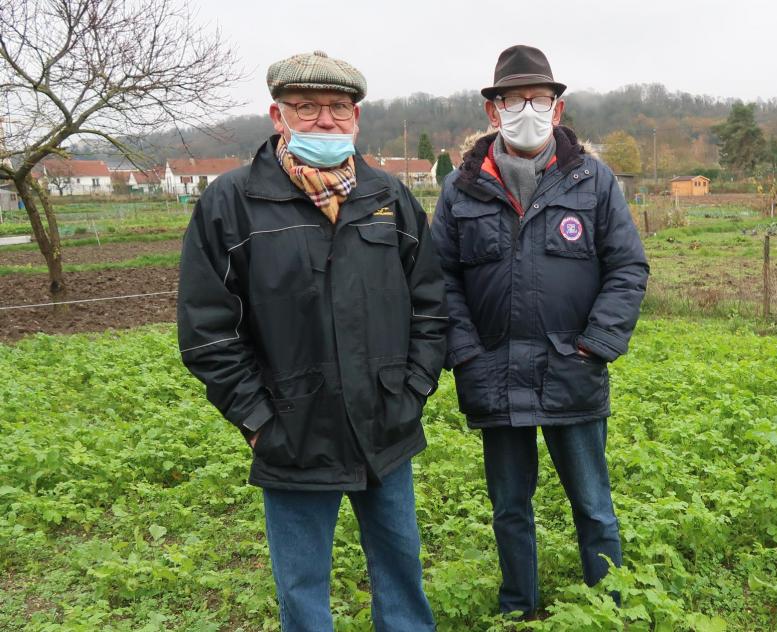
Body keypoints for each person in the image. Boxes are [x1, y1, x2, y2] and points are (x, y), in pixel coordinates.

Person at [176, 50, 446, 631]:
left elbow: (432, 304)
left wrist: (413, 389)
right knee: (302, 591)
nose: (325, 121)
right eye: (306, 108)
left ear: (356, 117)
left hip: (386, 424)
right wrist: (256, 420)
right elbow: (207, 330)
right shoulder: (231, 203)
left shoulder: (388, 197)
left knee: (401, 572)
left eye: (338, 109)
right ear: (278, 115)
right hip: (291, 432)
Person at [431, 44, 649, 618]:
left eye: (539, 98)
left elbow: (628, 268)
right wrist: (467, 355)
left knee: (594, 505)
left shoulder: (593, 181)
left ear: (557, 107)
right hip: (494, 374)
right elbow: (439, 279)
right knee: (509, 507)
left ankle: (610, 606)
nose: (527, 109)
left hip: (571, 371)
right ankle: (516, 608)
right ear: (492, 110)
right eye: (513, 99)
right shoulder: (460, 188)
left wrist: (595, 345)